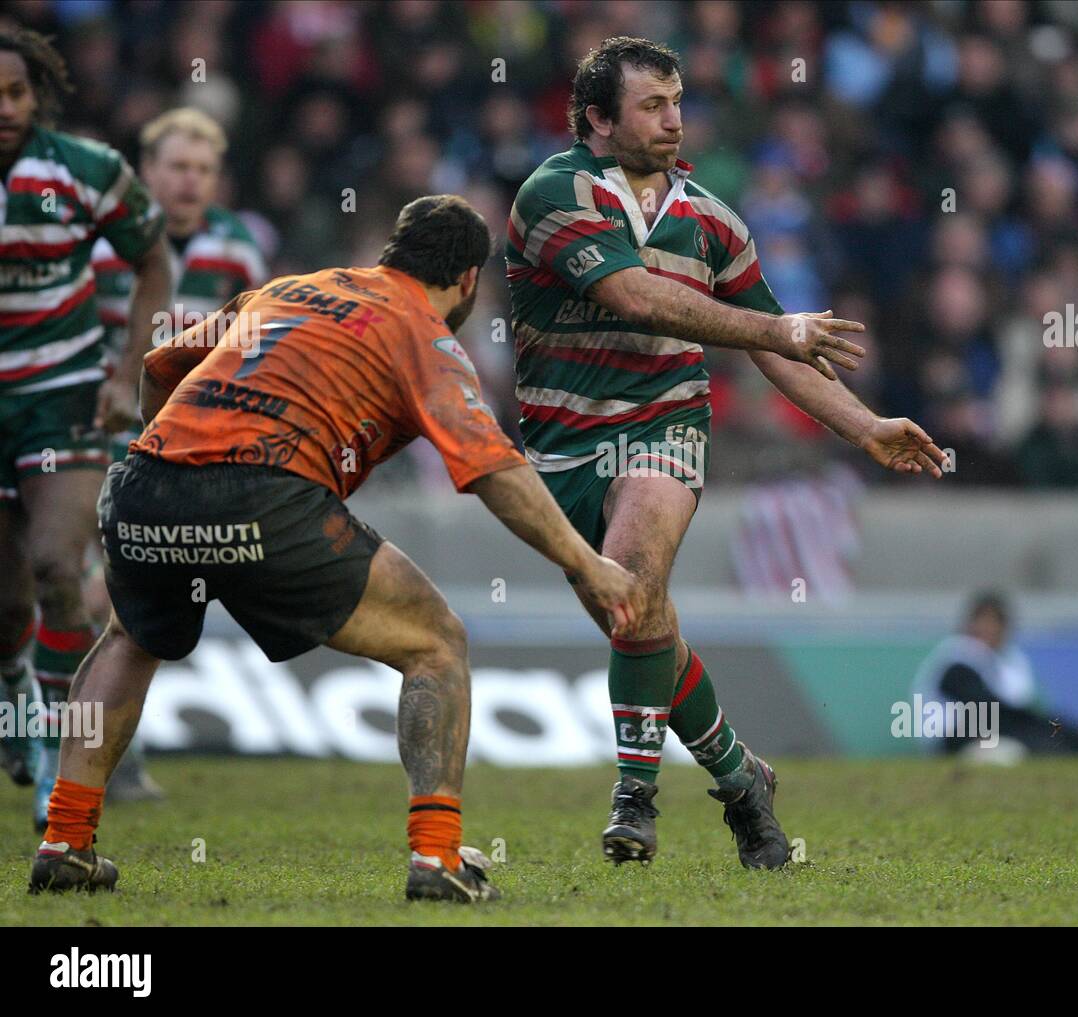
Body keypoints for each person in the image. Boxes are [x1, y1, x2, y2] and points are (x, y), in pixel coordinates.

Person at [27, 194, 644, 902]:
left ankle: (65, 840)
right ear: (470, 281)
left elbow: (161, 368)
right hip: (265, 494)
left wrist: (181, 459)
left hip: (145, 481)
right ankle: (437, 856)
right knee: (436, 642)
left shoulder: (292, 289)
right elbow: (492, 467)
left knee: (129, 636)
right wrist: (586, 564)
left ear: (392, 251)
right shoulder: (424, 332)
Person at [507, 37, 946, 868]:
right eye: (652, 106)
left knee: (635, 576)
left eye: (678, 102)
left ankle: (634, 795)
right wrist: (774, 326)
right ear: (599, 117)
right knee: (636, 617)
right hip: (562, 439)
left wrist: (863, 426)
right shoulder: (554, 192)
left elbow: (780, 352)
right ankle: (743, 779)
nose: (675, 120)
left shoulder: (713, 218)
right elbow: (635, 294)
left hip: (666, 421)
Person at [0, 28, 171, 829]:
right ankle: (13, 688)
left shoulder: (85, 170)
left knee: (56, 572)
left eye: (15, 94)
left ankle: (59, 770)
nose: (4, 109)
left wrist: (126, 365)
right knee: (7, 611)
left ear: (38, 97)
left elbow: (152, 258)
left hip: (61, 392)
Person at [86, 106, 269, 803]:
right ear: (147, 172)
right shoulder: (104, 244)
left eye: (203, 169)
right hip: (86, 439)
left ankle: (91, 757)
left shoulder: (239, 250)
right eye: (178, 167)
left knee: (122, 602)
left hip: (179, 452)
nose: (191, 182)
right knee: (68, 589)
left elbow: (250, 353)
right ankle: (61, 746)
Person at [914, 591, 1078, 758]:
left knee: (1053, 738)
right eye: (982, 621)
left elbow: (1019, 711)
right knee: (1025, 739)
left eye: (994, 622)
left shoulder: (1011, 661)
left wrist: (1069, 729)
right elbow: (985, 704)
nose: (987, 628)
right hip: (955, 738)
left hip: (998, 729)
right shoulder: (957, 655)